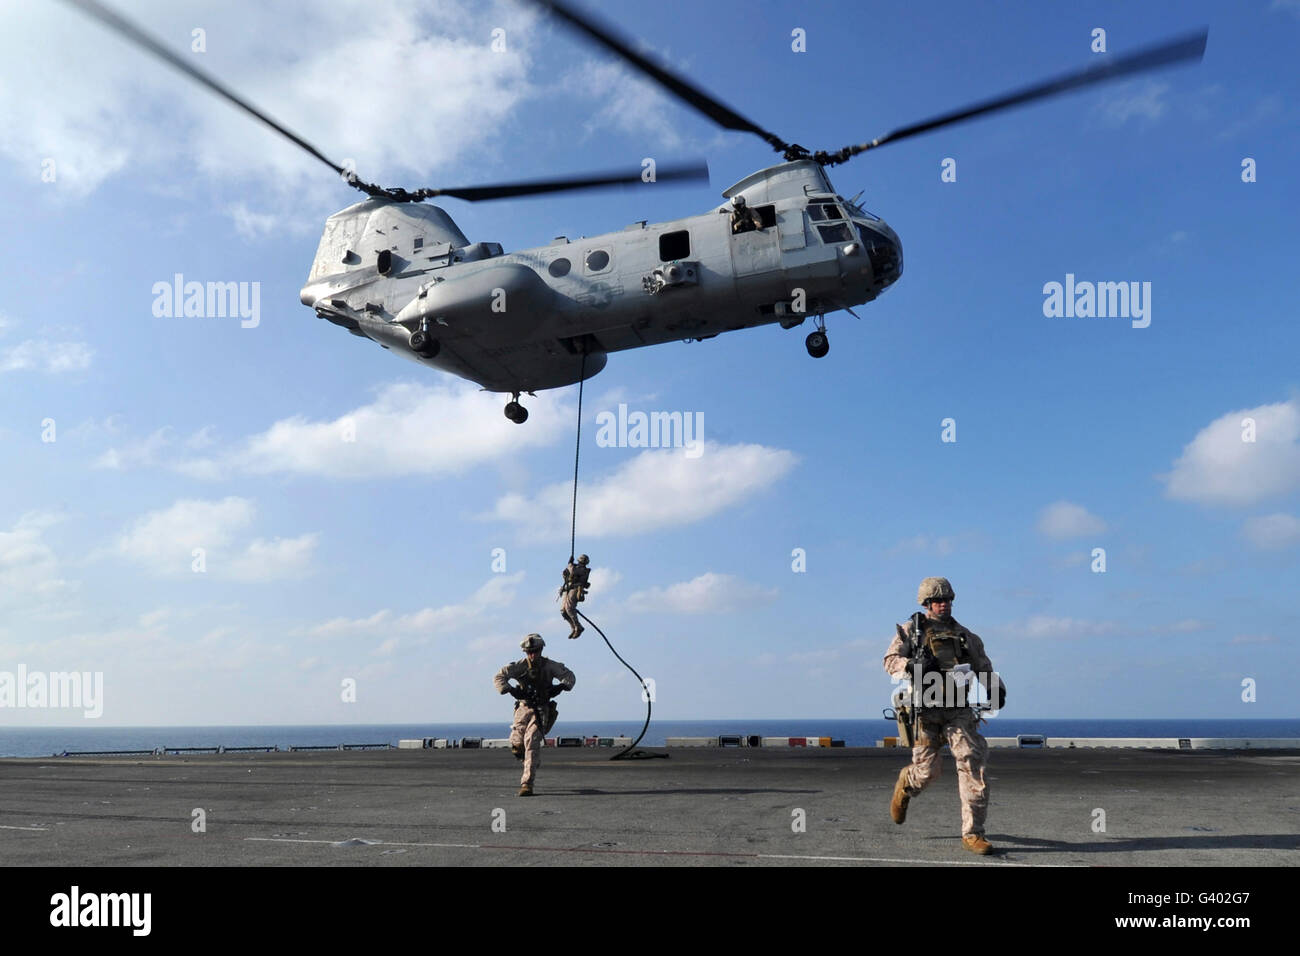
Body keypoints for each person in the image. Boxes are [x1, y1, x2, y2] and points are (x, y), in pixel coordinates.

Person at [882, 577, 1007, 855]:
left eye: (948, 600)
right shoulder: (911, 631)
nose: (944, 605)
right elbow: (889, 661)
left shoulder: (965, 636)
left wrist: (994, 687)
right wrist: (911, 665)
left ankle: (973, 833)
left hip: (958, 710)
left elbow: (982, 664)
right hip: (925, 712)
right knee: (927, 772)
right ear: (927, 604)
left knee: (973, 765)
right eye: (938, 600)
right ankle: (907, 783)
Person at [493, 634, 575, 796]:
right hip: (523, 709)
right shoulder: (519, 666)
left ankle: (527, 783)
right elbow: (499, 677)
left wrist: (560, 688)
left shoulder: (550, 666)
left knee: (531, 742)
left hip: (541, 710)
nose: (533, 655)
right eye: (529, 652)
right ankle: (531, 762)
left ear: (541, 650)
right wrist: (510, 689)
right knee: (517, 745)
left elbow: (569, 677)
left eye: (535, 651)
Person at [558, 554, 591, 639]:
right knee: (563, 611)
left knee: (569, 608)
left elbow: (573, 571)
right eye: (580, 562)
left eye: (582, 562)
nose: (581, 563)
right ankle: (573, 627)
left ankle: (578, 626)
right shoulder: (575, 567)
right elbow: (566, 574)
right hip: (568, 588)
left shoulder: (584, 570)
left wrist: (570, 564)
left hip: (575, 589)